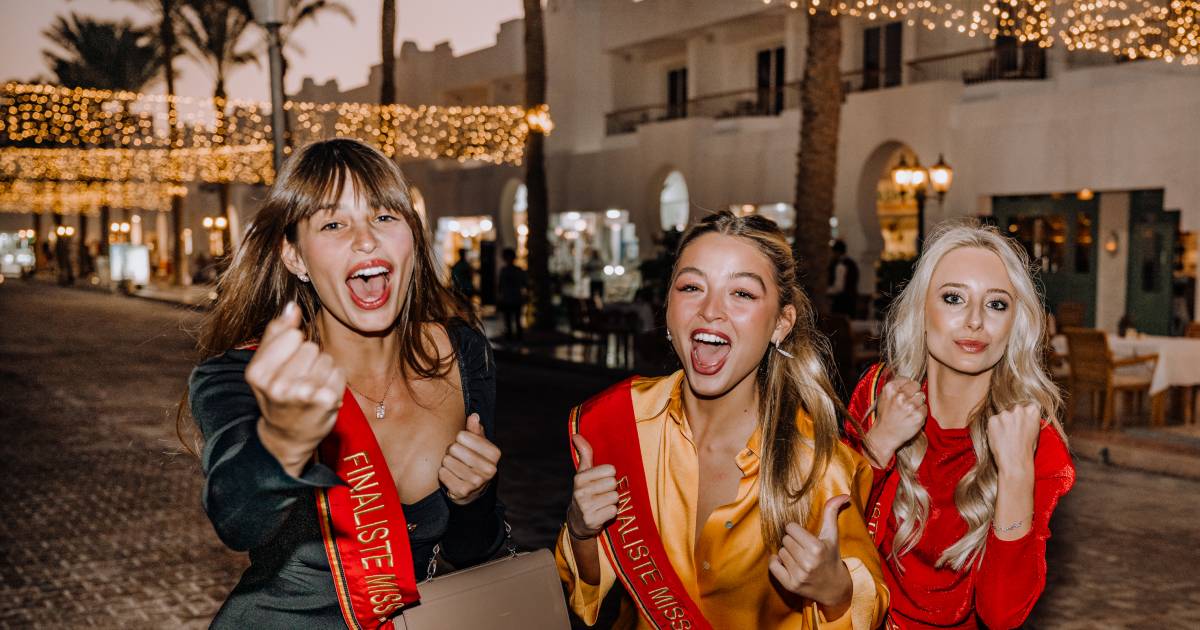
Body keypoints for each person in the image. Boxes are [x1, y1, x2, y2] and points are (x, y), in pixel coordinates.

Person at [185, 139, 506, 628]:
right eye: (334, 224)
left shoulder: (464, 354)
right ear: (294, 257)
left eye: (384, 217)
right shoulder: (243, 376)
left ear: (412, 239)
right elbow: (237, 520)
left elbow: (475, 550)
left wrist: (474, 499)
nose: (365, 240)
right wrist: (282, 440)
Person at [556, 211, 887, 629]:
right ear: (669, 307)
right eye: (691, 287)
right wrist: (582, 532)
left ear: (781, 324)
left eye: (742, 294)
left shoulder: (820, 466)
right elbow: (584, 595)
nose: (711, 310)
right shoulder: (618, 423)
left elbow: (867, 608)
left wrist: (835, 590)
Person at [844, 219, 1075, 629]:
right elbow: (827, 539)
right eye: (953, 298)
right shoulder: (878, 396)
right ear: (921, 310)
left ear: (1014, 324)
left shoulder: (1034, 440)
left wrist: (1017, 470)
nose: (974, 321)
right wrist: (878, 445)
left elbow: (1002, 613)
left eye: (996, 304)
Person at [496, 247, 528, 341]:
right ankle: (515, 336)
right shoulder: (517, 270)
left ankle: (513, 337)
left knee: (512, 319)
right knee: (513, 319)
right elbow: (524, 283)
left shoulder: (506, 270)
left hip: (512, 297)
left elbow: (500, 286)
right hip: (513, 297)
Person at [827, 240, 859, 318]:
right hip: (851, 301)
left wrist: (826, 291)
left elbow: (838, 287)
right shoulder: (852, 263)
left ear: (837, 252)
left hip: (841, 303)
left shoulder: (840, 264)